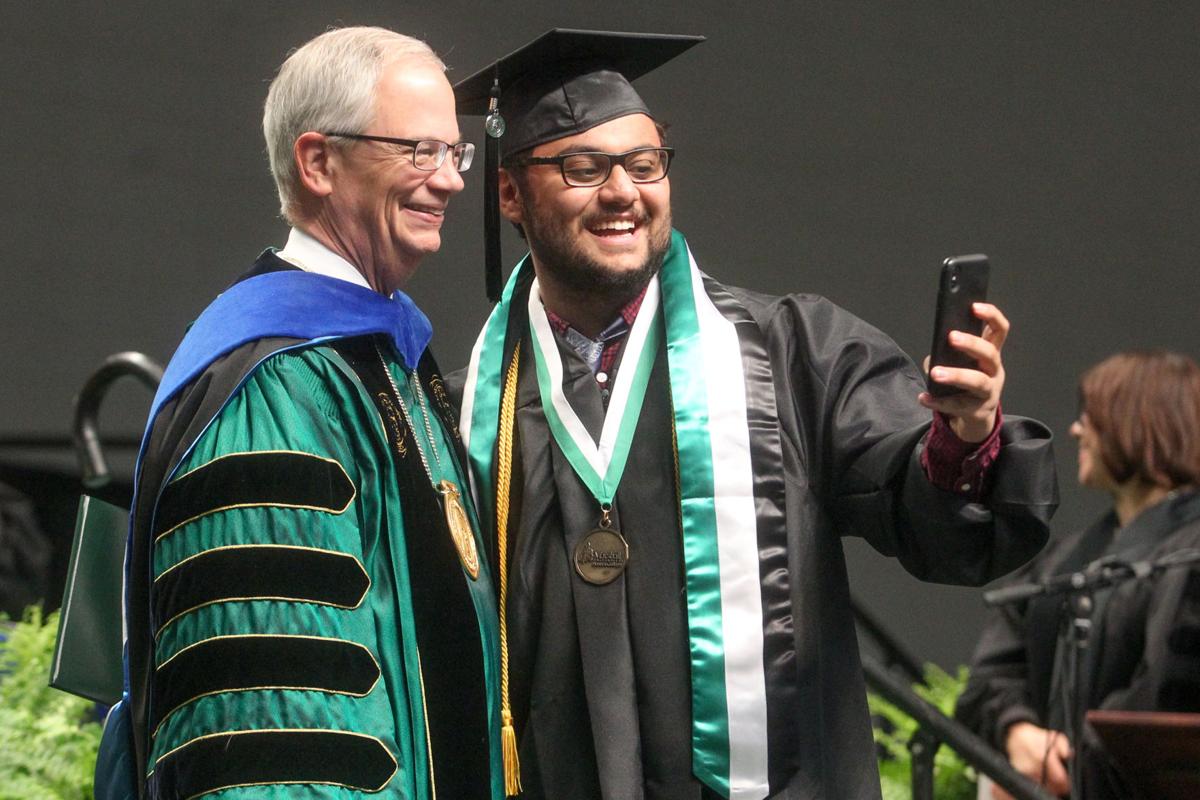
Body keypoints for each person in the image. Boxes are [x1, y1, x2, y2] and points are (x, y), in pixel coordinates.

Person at [450, 29, 1059, 800]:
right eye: (583, 167)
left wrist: (964, 435)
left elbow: (924, 506)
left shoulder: (792, 355)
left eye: (644, 165)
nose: (623, 192)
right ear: (510, 194)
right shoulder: (468, 410)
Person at [93, 27, 503, 800]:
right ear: (318, 162)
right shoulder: (277, 387)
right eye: (418, 150)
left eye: (456, 153)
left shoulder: (388, 356)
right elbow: (276, 721)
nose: (448, 180)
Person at [957, 350, 1200, 799]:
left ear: (1139, 423)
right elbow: (991, 676)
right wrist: (1018, 732)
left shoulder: (1190, 559)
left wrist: (1070, 761)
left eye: (1091, 416)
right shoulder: (1069, 559)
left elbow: (1163, 699)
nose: (1074, 430)